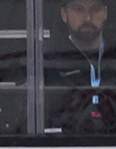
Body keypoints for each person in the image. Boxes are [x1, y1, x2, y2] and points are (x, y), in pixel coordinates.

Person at [45, 0, 116, 133]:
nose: (88, 17)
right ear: (64, 14)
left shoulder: (112, 57)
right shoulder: (48, 63)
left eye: (95, 9)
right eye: (78, 9)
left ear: (105, 13)